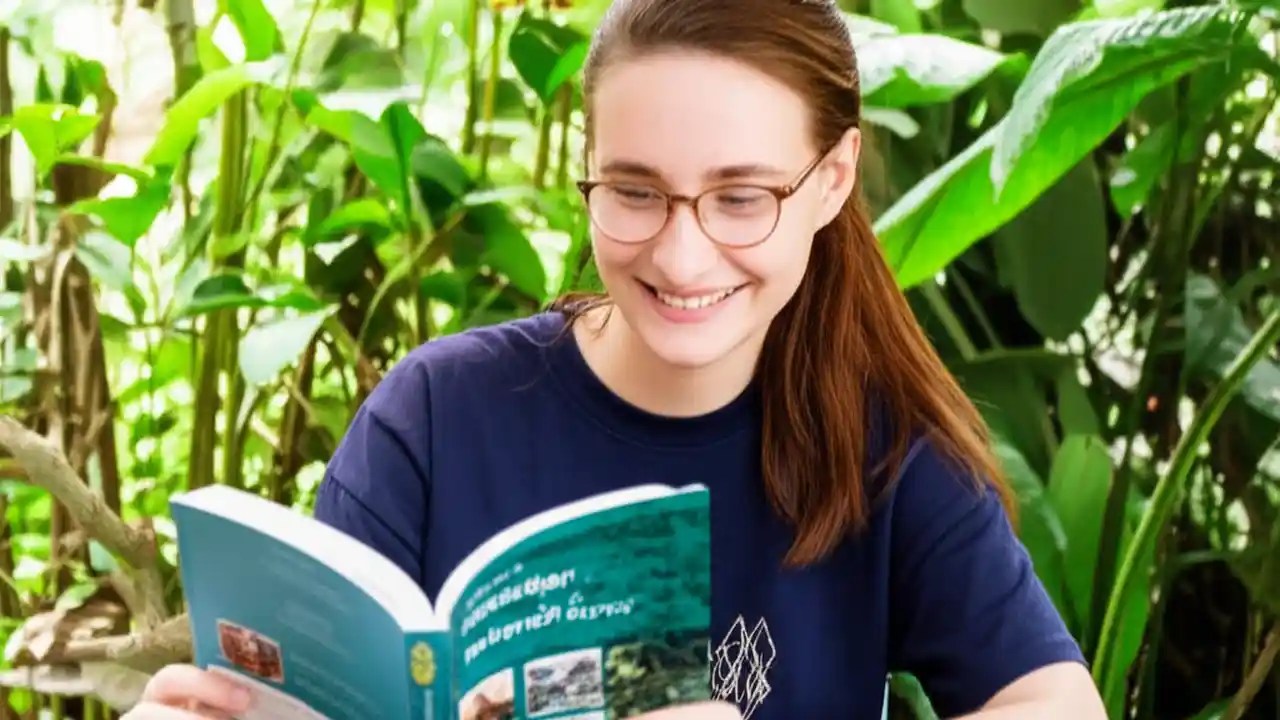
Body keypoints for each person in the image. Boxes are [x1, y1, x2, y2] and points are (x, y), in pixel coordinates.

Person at [126, 0, 1109, 717]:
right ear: (585, 172)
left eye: (740, 197)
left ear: (829, 180)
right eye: (634, 193)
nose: (681, 258)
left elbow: (1052, 700)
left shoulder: (881, 444)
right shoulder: (436, 414)